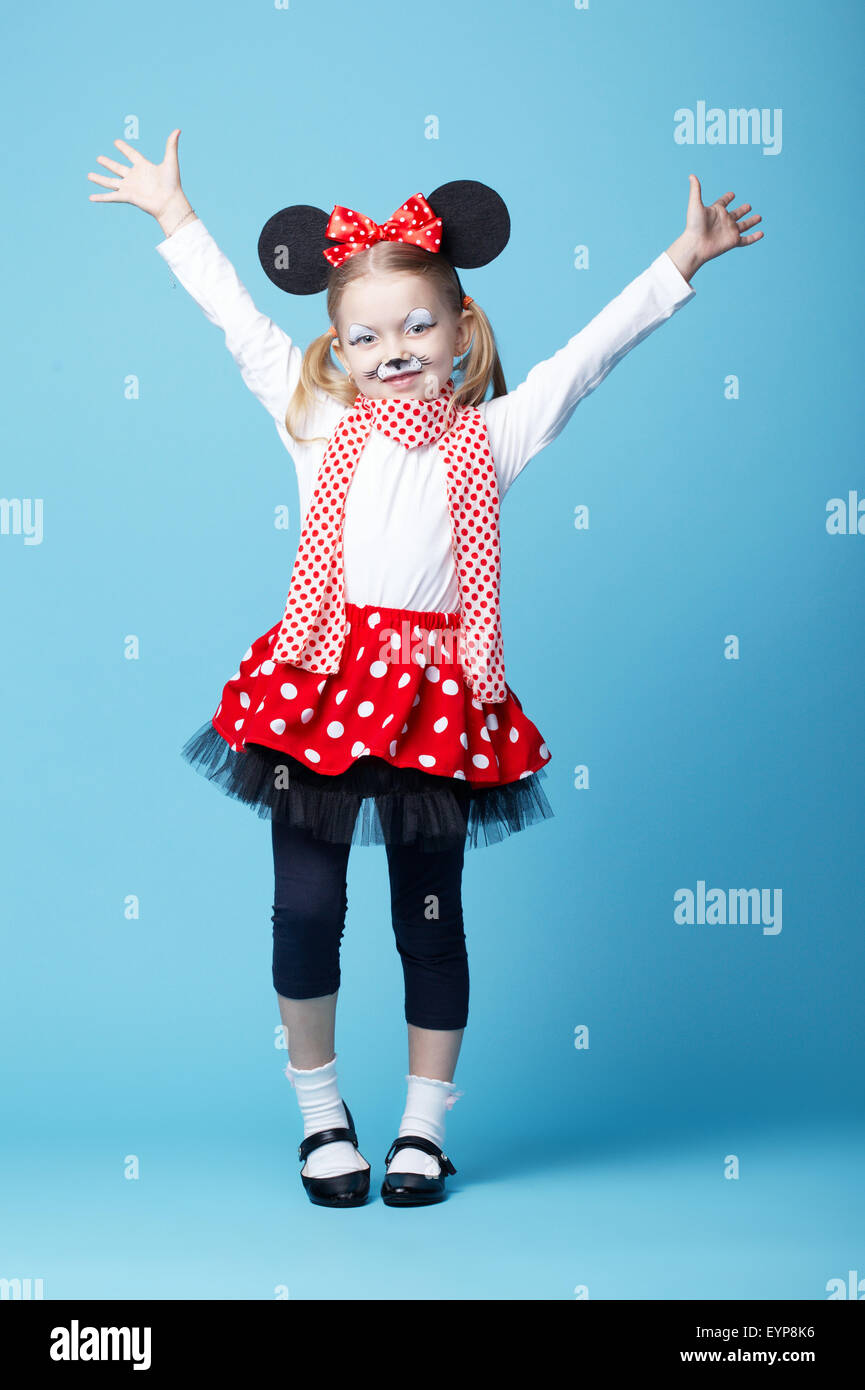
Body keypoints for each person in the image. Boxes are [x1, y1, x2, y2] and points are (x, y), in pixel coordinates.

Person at [87, 129, 762, 1209]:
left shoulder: (492, 437)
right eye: (365, 336)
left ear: (460, 329)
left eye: (416, 325)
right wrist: (176, 218)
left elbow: (589, 354)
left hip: (435, 703)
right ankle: (321, 1118)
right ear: (338, 351)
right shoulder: (313, 423)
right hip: (319, 686)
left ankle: (421, 1127)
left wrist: (676, 263)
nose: (393, 348)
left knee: (429, 913)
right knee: (305, 908)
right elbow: (240, 326)